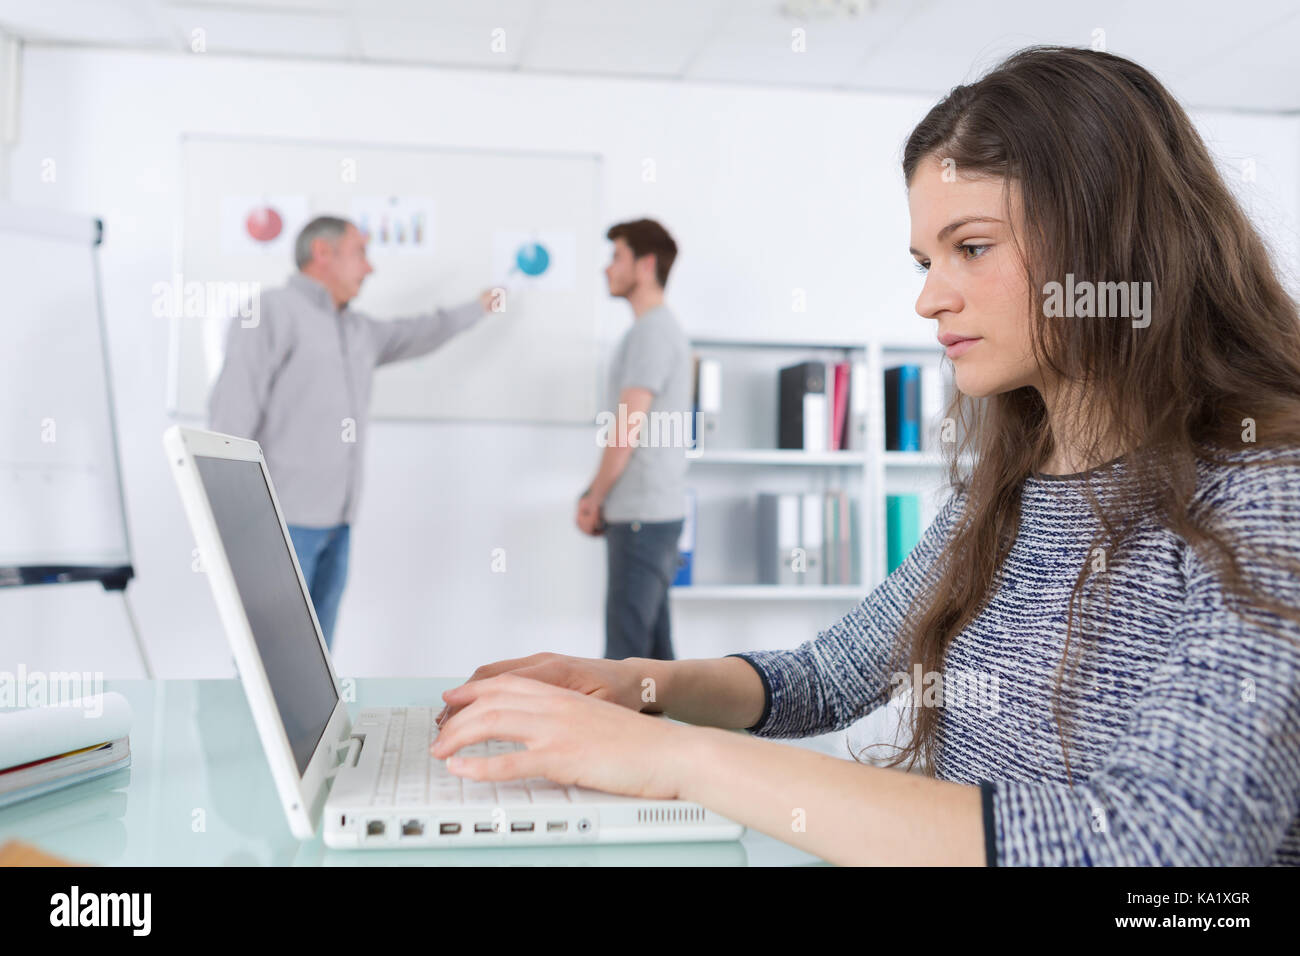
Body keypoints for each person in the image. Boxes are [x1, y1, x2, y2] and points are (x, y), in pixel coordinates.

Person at [431, 46, 1300, 866]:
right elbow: (830, 675)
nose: (928, 297)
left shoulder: (1268, 491)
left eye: (972, 247)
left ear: (1108, 238)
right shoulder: (1008, 487)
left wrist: (673, 759)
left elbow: (1169, 846)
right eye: (926, 259)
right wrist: (638, 687)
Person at [209, 215, 497, 650]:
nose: (370, 267)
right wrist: (235, 514)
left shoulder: (357, 329)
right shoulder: (270, 311)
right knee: (268, 660)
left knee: (315, 663)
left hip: (337, 524)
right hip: (280, 523)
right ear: (322, 254)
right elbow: (232, 412)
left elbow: (420, 332)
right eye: (361, 253)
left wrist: (478, 307)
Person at [576, 219, 691, 662]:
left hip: (641, 519)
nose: (607, 268)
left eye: (616, 257)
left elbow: (627, 427)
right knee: (654, 664)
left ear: (645, 265)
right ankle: (673, 736)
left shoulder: (652, 331)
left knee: (625, 664)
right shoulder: (655, 329)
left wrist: (594, 496)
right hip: (650, 515)